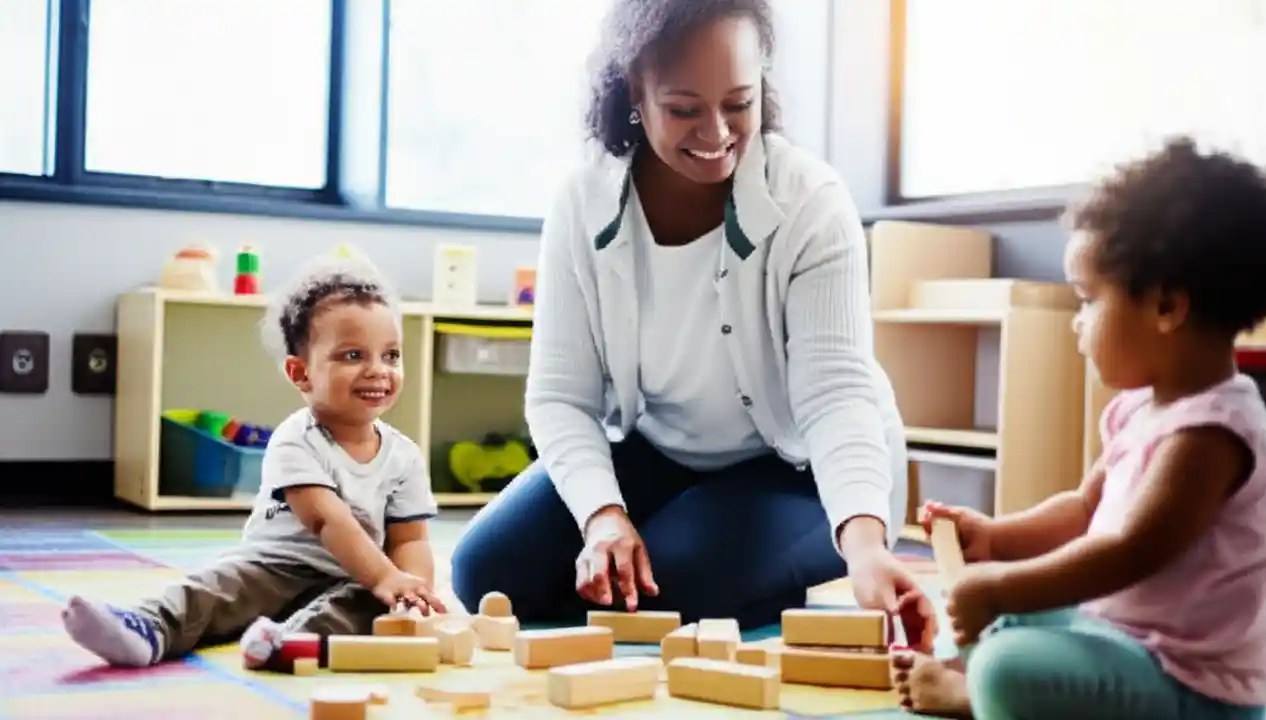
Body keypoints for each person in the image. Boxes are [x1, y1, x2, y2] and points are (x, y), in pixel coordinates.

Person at [451, 0, 924, 636]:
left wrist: (867, 546)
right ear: (633, 96)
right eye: (683, 109)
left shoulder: (811, 200)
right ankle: (727, 583)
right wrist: (603, 517)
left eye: (739, 103)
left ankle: (746, 578)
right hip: (663, 448)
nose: (717, 133)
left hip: (798, 468)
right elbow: (562, 397)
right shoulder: (581, 202)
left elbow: (836, 397)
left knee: (667, 581)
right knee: (486, 572)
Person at [893, 137, 1266, 719]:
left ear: (1168, 307)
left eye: (1088, 299)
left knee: (1003, 664)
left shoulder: (1211, 434)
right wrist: (996, 538)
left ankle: (976, 690)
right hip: (1122, 638)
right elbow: (1082, 509)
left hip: (1189, 689)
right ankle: (970, 678)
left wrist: (1001, 584)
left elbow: (1125, 552)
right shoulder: (1140, 409)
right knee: (997, 619)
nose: (1078, 323)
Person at [61, 257, 447, 667]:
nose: (377, 370)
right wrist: (385, 575)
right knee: (219, 586)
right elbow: (328, 520)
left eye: (391, 356)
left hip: (356, 577)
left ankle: (292, 644)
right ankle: (151, 625)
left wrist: (411, 590)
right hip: (276, 565)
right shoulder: (295, 441)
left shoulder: (403, 455)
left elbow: (410, 539)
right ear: (301, 374)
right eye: (353, 355)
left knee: (366, 606)